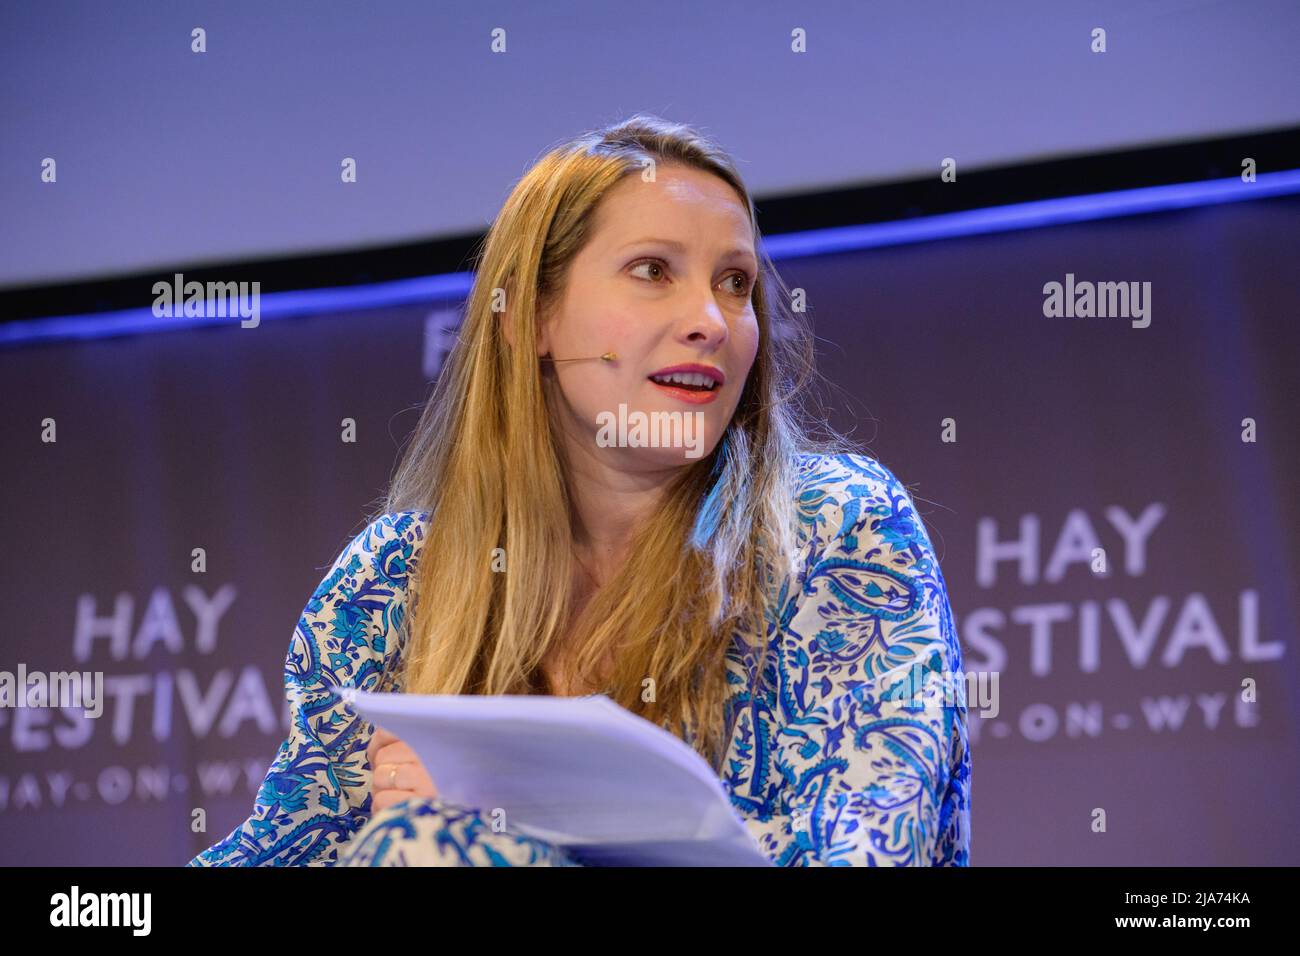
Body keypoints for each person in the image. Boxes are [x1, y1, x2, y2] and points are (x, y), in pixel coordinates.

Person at [187, 114, 971, 868]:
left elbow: (870, 846)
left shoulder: (831, 528)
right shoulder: (394, 581)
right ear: (531, 318)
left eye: (734, 283)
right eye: (653, 271)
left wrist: (520, 814)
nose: (710, 319)